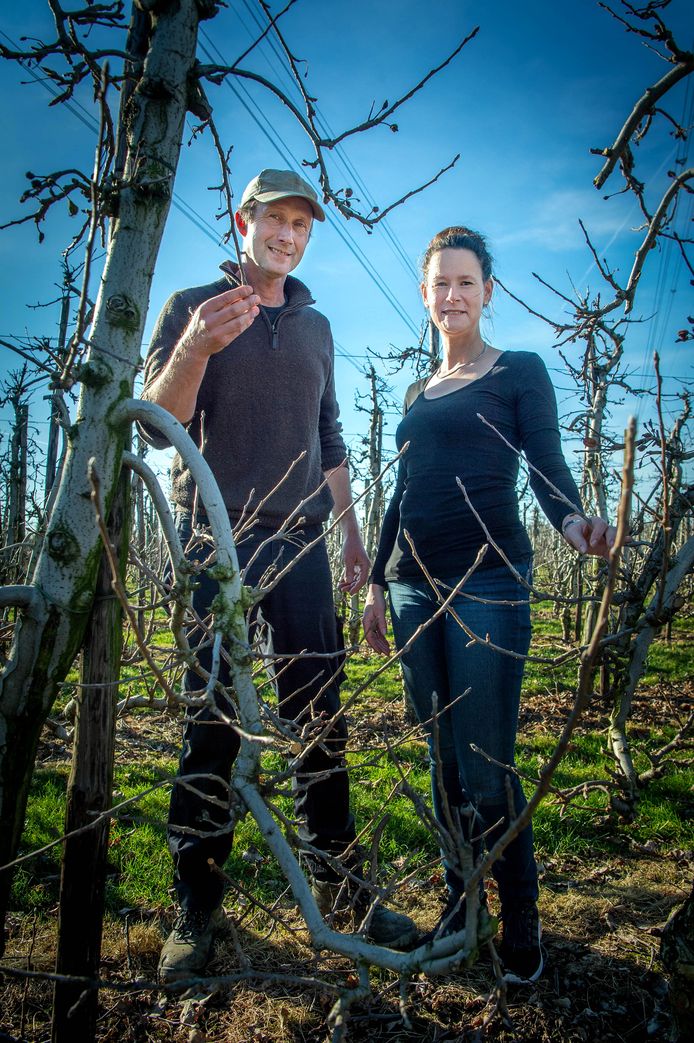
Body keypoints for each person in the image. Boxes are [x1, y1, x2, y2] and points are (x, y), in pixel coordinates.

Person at [141, 169, 419, 983]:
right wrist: (197, 344)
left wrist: (354, 539)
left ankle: (342, 886)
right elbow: (163, 426)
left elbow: (329, 436)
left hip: (302, 545)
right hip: (216, 545)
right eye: (275, 219)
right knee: (212, 724)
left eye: (301, 224)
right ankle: (197, 905)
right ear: (244, 221)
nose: (287, 235)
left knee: (322, 721)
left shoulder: (318, 326)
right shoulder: (195, 305)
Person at [362, 226, 615, 984]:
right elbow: (397, 497)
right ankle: (458, 898)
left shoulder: (519, 373)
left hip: (488, 583)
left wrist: (575, 524)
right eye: (440, 283)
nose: (452, 296)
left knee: (485, 767)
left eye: (465, 282)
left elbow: (547, 466)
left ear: (488, 290)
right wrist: (377, 581)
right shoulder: (415, 391)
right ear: (425, 293)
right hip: (412, 587)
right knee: (440, 763)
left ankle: (521, 918)